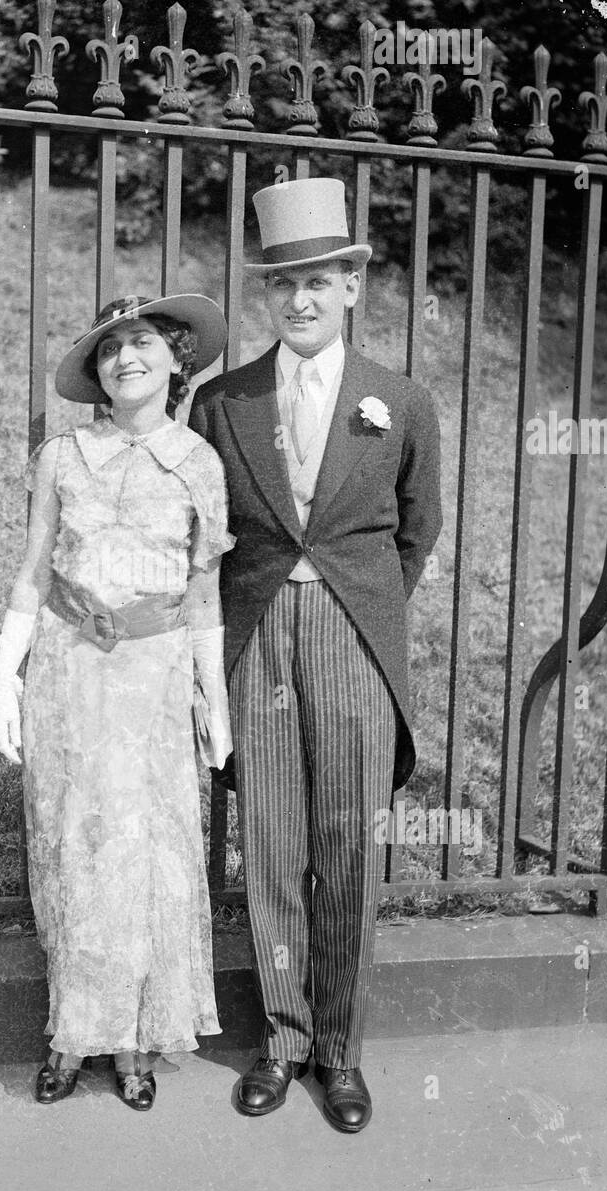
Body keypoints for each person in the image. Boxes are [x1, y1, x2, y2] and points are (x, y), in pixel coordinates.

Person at [189, 178, 442, 1132]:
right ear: (268, 294)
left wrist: (357, 604)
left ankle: (341, 1051)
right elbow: (208, 534)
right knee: (277, 843)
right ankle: (282, 1040)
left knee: (347, 843)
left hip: (351, 637)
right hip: (257, 634)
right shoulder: (223, 403)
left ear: (350, 289)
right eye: (282, 283)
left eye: (319, 280)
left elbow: (416, 531)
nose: (299, 299)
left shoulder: (400, 402)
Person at [0, 293, 236, 1110]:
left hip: (156, 677)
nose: (126, 358)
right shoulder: (62, 456)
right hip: (70, 671)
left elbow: (205, 594)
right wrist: (1, 676)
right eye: (110, 349)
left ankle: (132, 1044)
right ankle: (70, 1035)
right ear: (96, 372)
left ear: (175, 362)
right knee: (76, 849)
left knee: (147, 859)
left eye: (143, 344)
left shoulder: (200, 461)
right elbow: (32, 570)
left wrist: (216, 698)